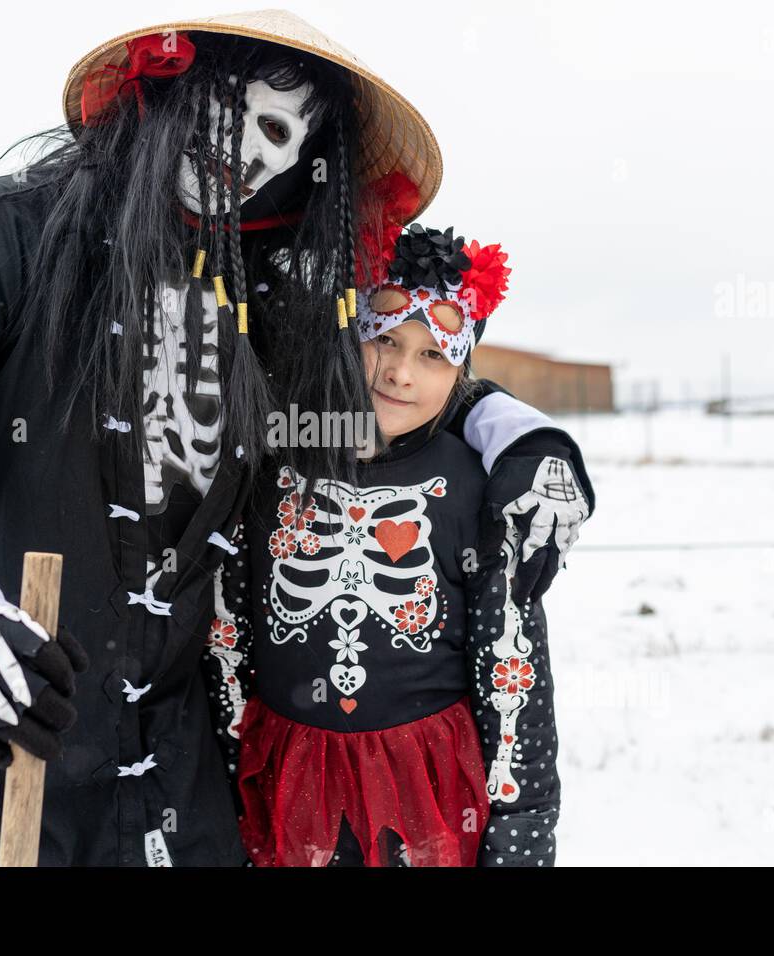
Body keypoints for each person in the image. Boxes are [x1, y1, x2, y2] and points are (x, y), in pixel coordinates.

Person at [0, 9, 584, 866]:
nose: (256, 155)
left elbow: (382, 389)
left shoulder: (252, 299)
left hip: (172, 785)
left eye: (284, 136)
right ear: (173, 86)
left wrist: (518, 433)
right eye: (243, 111)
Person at [203, 222, 595, 866]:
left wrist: (521, 835)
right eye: (383, 338)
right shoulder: (276, 458)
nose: (399, 371)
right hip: (285, 782)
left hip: (430, 794)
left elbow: (514, 678)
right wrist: (220, 792)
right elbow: (228, 638)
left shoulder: (478, 486)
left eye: (433, 354)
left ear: (462, 372)